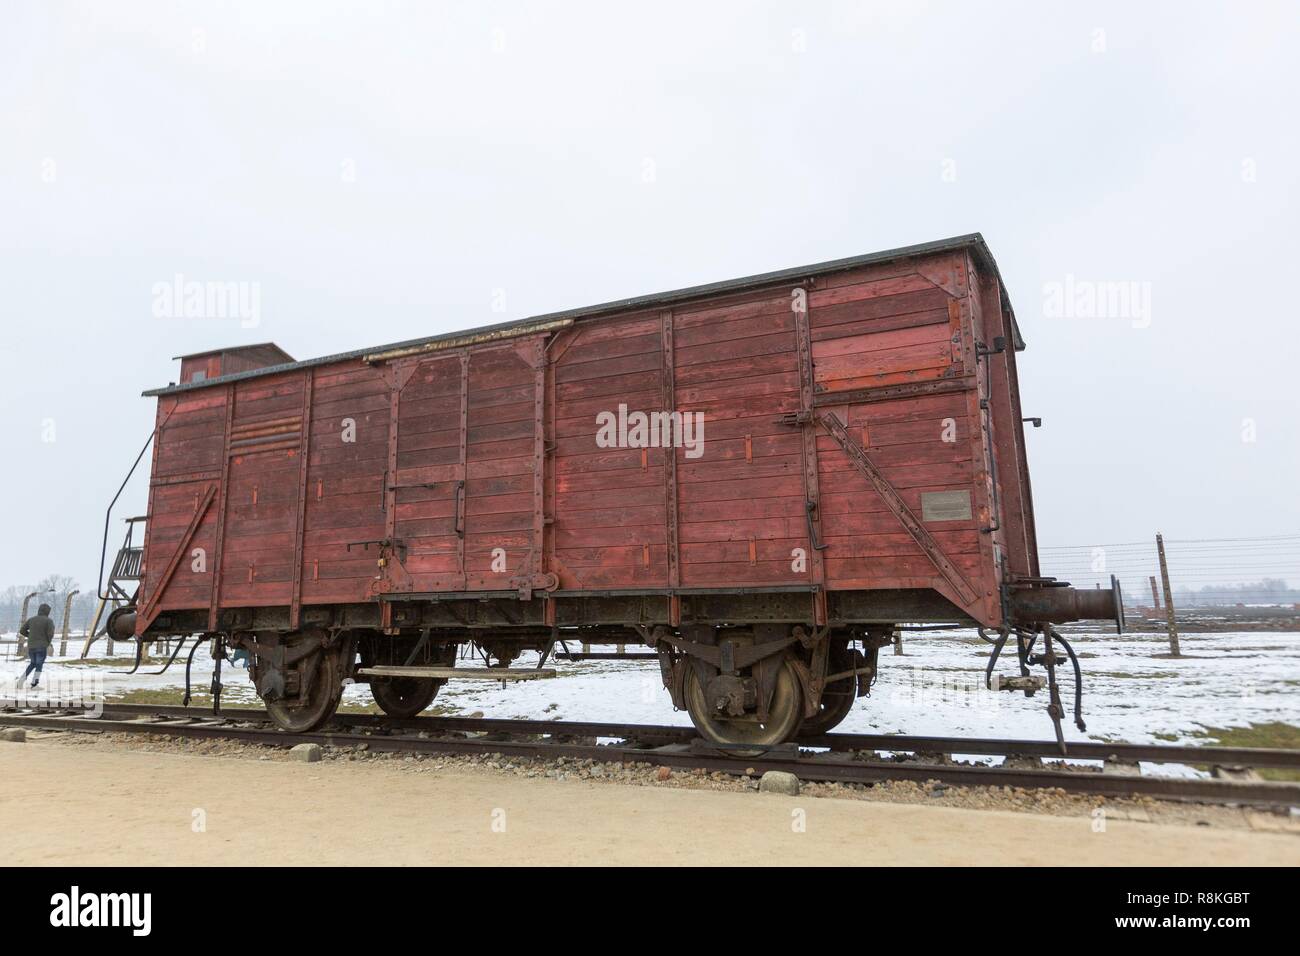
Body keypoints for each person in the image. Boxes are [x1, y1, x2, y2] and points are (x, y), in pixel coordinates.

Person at [18, 603, 55, 689]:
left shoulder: (31, 620)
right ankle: (34, 684)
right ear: (47, 612)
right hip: (41, 646)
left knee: (33, 663)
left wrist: (30, 636)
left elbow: (22, 630)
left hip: (31, 646)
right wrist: (48, 642)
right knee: (39, 664)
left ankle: (21, 680)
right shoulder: (49, 621)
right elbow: (50, 634)